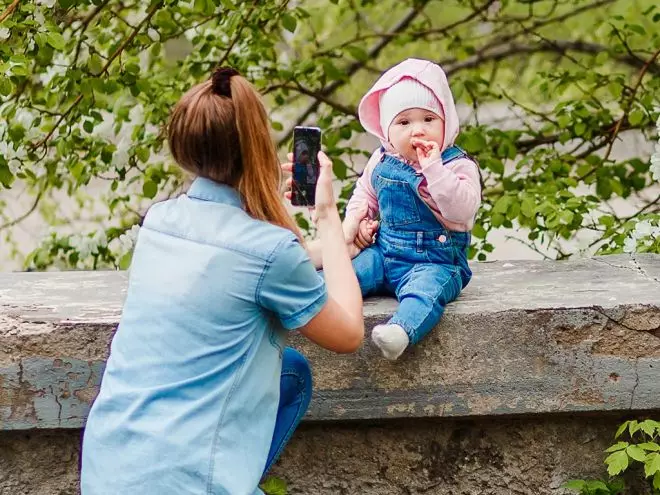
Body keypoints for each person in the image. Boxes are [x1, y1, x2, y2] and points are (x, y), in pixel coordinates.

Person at [80, 67, 365, 495]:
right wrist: (326, 214)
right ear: (257, 147)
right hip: (181, 486)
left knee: (291, 371)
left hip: (107, 472)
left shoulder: (160, 221)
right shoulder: (269, 251)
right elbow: (348, 333)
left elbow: (241, 264)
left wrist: (339, 246)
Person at [345, 58, 482, 360]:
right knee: (349, 274)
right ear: (387, 130)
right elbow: (363, 194)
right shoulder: (381, 160)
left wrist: (434, 169)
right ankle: (312, 298)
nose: (417, 130)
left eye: (428, 119)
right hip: (385, 252)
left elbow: (463, 210)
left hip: (436, 261)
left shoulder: (456, 165)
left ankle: (400, 331)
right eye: (404, 122)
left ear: (446, 123)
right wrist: (357, 221)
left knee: (425, 292)